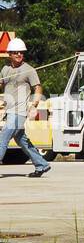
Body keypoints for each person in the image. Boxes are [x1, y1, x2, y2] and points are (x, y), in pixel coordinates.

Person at [0, 39, 51, 177]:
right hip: (9, 111)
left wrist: (34, 105)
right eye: (15, 52)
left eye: (21, 52)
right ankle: (42, 165)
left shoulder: (29, 70)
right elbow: (2, 85)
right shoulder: (5, 70)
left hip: (20, 112)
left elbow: (38, 88)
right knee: (21, 140)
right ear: (9, 54)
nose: (19, 54)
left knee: (3, 137)